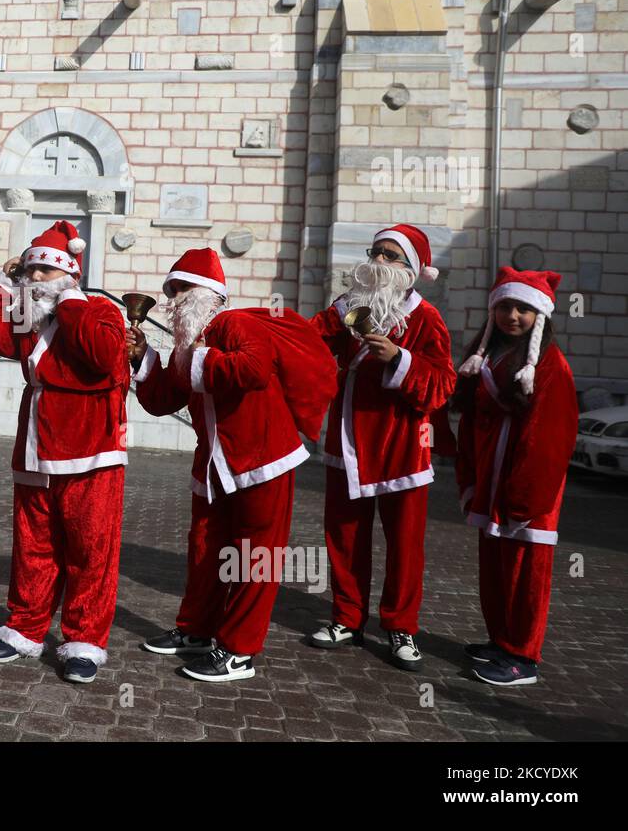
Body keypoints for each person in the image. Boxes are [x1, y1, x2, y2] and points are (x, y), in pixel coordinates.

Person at [130, 249, 335, 681]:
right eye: (171, 291)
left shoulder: (235, 324)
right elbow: (164, 398)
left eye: (183, 289)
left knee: (255, 556)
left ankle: (239, 651)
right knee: (204, 549)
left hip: (263, 459)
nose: (174, 299)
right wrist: (142, 358)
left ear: (210, 294)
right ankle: (197, 630)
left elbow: (255, 369)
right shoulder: (189, 342)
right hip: (215, 464)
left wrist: (202, 357)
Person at [0, 220, 130, 684]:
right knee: (33, 547)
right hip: (36, 447)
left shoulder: (98, 310)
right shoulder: (28, 321)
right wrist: (3, 281)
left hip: (91, 451)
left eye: (43, 272)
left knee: (89, 550)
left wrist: (70, 297)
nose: (33, 279)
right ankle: (24, 627)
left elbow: (103, 356)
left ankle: (84, 640)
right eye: (30, 272)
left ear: (68, 274)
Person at [308, 224, 455, 670]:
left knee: (405, 544)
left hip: (402, 445)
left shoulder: (425, 318)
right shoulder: (344, 307)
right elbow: (309, 345)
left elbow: (443, 383)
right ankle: (347, 617)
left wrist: (399, 359)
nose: (378, 262)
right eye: (375, 252)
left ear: (411, 270)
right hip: (349, 438)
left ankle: (400, 627)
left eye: (391, 256)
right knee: (345, 535)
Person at [454, 267, 577, 686]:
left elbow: (551, 437)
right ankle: (500, 640)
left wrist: (525, 499)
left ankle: (523, 655)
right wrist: (470, 478)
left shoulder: (550, 365)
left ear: (540, 315)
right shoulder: (487, 356)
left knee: (527, 571)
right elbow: (471, 420)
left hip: (527, 489)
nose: (513, 315)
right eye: (505, 306)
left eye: (523, 308)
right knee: (495, 566)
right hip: (493, 481)